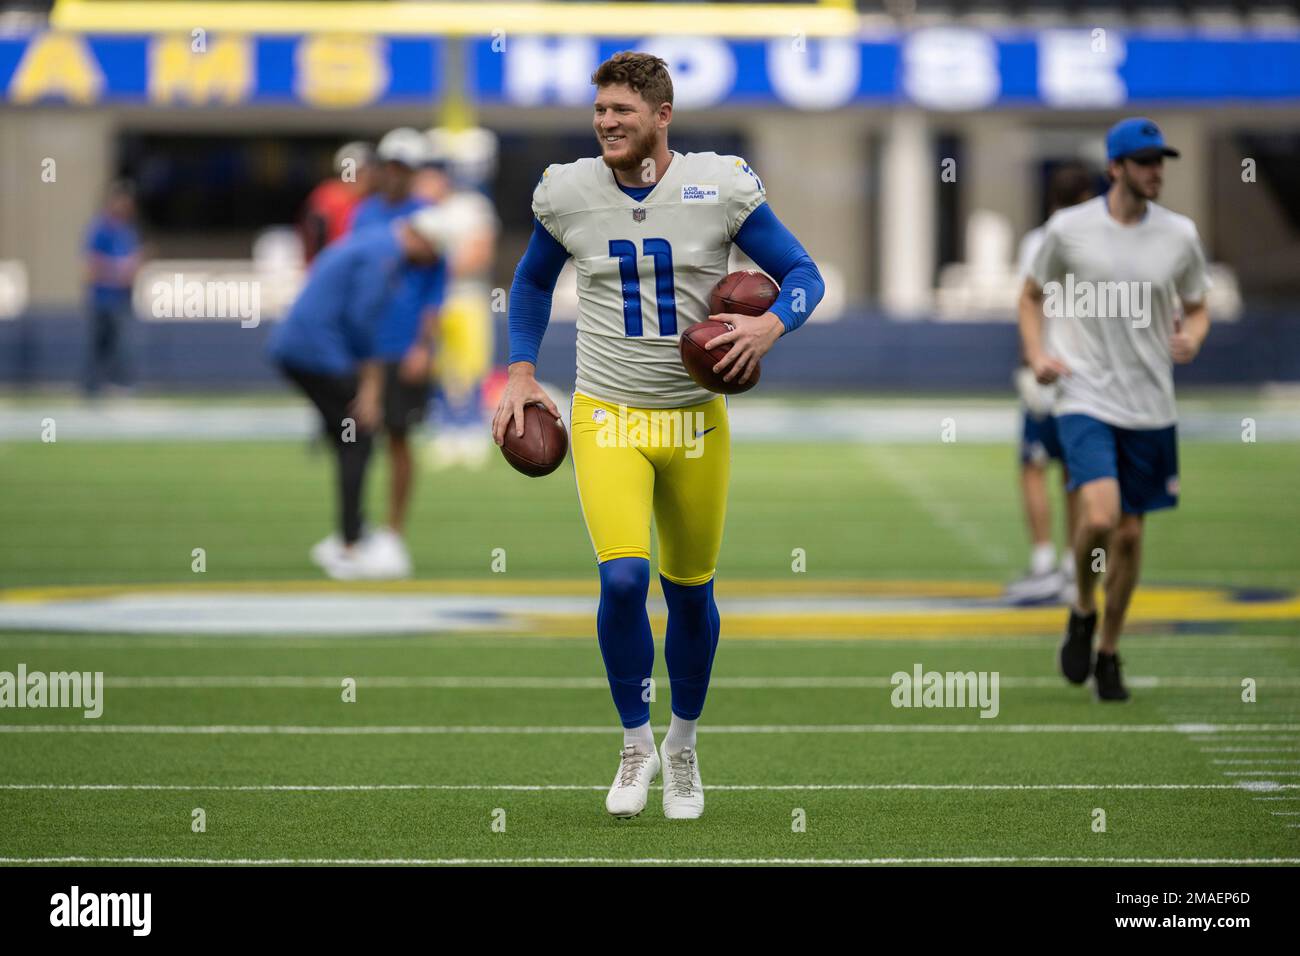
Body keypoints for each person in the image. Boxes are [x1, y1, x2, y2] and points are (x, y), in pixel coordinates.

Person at [492, 52, 824, 818]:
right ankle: (635, 740)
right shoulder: (568, 190)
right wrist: (518, 370)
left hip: (695, 421)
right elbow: (535, 280)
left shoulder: (720, 187)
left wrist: (772, 324)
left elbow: (805, 272)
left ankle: (683, 744)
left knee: (692, 593)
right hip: (607, 412)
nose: (607, 122)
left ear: (661, 116)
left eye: (622, 112)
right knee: (621, 580)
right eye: (600, 110)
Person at [1018, 118, 1211, 701]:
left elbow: (1198, 305)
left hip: (1151, 404)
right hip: (1085, 395)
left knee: (1128, 534)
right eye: (1146, 161)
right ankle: (1082, 607)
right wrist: (1037, 354)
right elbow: (1030, 295)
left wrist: (1195, 337)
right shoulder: (1069, 229)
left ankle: (1109, 648)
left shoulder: (1180, 235)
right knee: (1098, 517)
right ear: (1115, 168)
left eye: (1162, 161)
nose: (1157, 171)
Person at [267, 210, 449, 580]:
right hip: (316, 352)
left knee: (347, 436)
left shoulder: (373, 240)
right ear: (421, 239)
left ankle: (351, 533)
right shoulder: (385, 257)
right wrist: (370, 385)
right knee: (359, 435)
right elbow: (363, 320)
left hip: (303, 349)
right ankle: (349, 544)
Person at [341, 128, 443, 576]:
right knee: (353, 437)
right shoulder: (364, 213)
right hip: (364, 344)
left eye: (404, 167)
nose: (396, 175)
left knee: (399, 438)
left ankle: (393, 533)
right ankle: (352, 531)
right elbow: (349, 272)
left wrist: (424, 345)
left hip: (402, 346)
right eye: (392, 166)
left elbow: (436, 288)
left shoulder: (429, 215)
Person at [1005, 163, 1094, 605]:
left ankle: (1045, 562)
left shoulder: (1039, 242)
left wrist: (1031, 356)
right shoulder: (1101, 244)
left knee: (1034, 466)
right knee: (1075, 474)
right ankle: (1072, 566)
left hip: (1047, 366)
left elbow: (1028, 301)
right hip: (1086, 371)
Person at [83, 180, 141, 397]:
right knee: (100, 344)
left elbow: (133, 261)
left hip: (122, 298)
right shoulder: (100, 228)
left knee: (123, 343)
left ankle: (120, 384)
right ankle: (92, 387)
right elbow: (91, 265)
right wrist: (118, 272)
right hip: (102, 298)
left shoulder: (127, 230)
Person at [300, 141, 373, 264]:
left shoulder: (373, 200)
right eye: (361, 172)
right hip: (332, 263)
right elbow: (314, 238)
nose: (366, 176)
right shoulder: (328, 195)